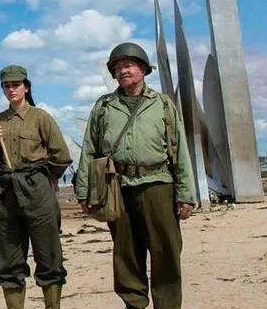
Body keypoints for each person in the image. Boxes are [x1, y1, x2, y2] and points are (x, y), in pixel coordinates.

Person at [74, 42, 195, 309]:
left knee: (166, 253)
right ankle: (134, 304)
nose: (122, 71)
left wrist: (185, 194)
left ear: (142, 68)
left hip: (158, 186)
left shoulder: (163, 105)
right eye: (117, 68)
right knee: (127, 255)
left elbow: (179, 150)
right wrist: (83, 191)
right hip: (117, 189)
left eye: (128, 65)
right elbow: (89, 150)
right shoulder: (104, 107)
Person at [0, 65, 72, 309]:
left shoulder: (40, 117)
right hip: (7, 195)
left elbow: (61, 156)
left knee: (49, 256)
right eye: (6, 86)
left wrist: (42, 179)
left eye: (16, 85)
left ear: (26, 87)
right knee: (9, 261)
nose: (11, 89)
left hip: (38, 193)